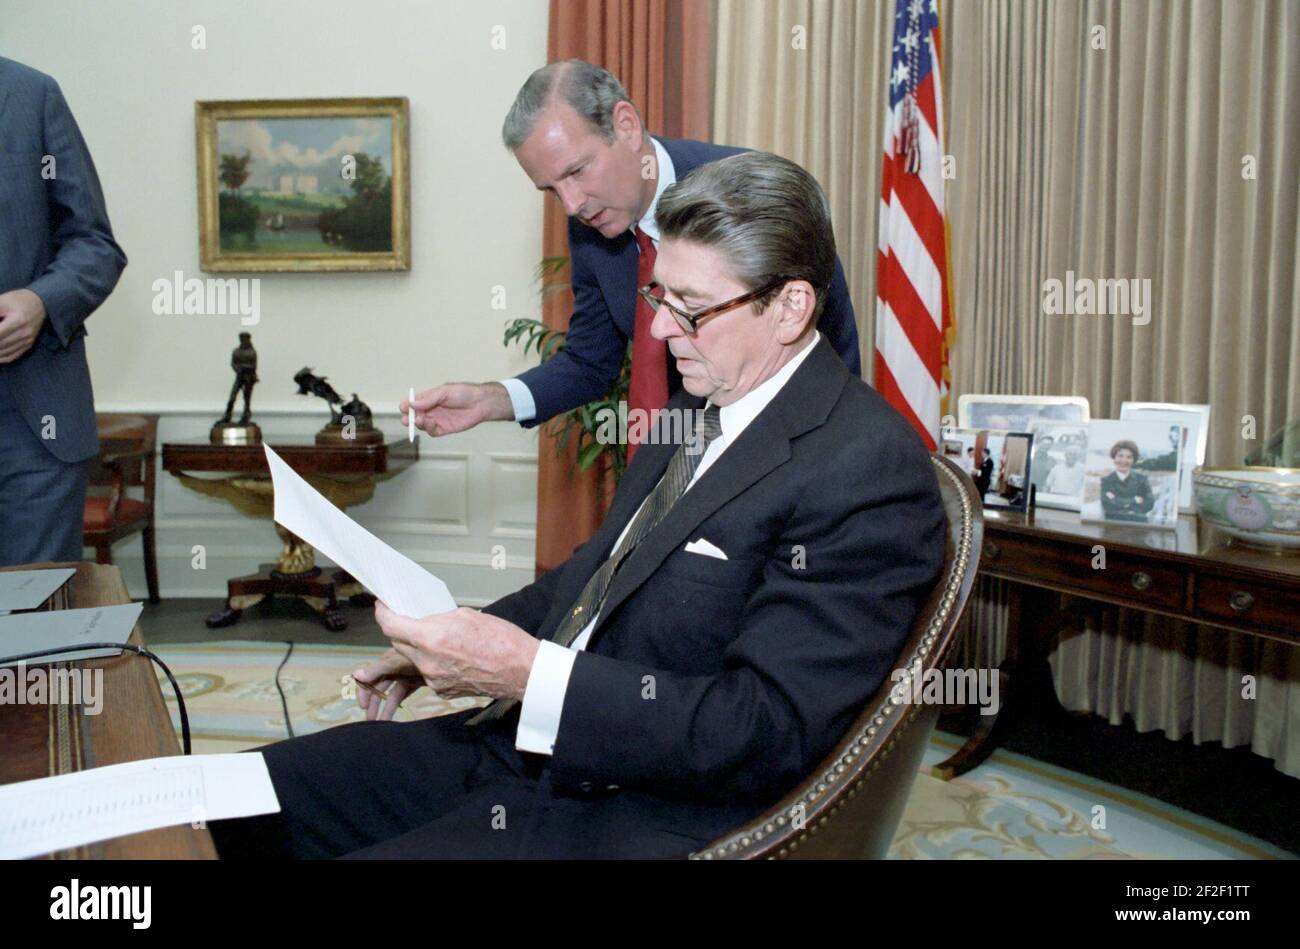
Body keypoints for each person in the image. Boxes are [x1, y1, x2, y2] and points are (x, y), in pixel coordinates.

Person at [208, 151, 945, 859]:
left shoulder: (866, 470)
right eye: (660, 295)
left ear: (789, 308)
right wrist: (460, 638)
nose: (657, 329)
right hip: (530, 747)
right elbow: (591, 577)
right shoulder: (698, 405)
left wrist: (528, 673)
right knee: (229, 801)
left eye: (689, 307)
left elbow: (762, 729)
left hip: (649, 811)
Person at [401, 60, 861, 456]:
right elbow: (589, 361)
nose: (571, 204)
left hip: (783, 458)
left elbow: (831, 348)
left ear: (626, 125)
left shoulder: (747, 191)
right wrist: (491, 400)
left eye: (577, 172)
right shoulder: (592, 222)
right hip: (670, 466)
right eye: (550, 189)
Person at [0, 57, 126, 566]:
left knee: (35, 627)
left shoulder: (32, 95)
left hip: (31, 425)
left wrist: (40, 301)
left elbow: (95, 245)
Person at [1100, 439, 1154, 522]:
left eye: (1129, 457)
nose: (1124, 461)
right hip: (1113, 526)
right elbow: (1108, 505)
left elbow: (1149, 503)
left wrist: (1117, 501)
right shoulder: (1106, 481)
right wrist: (1135, 500)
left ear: (1133, 460)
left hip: (1138, 525)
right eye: (1120, 456)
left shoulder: (1142, 480)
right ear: (1114, 458)